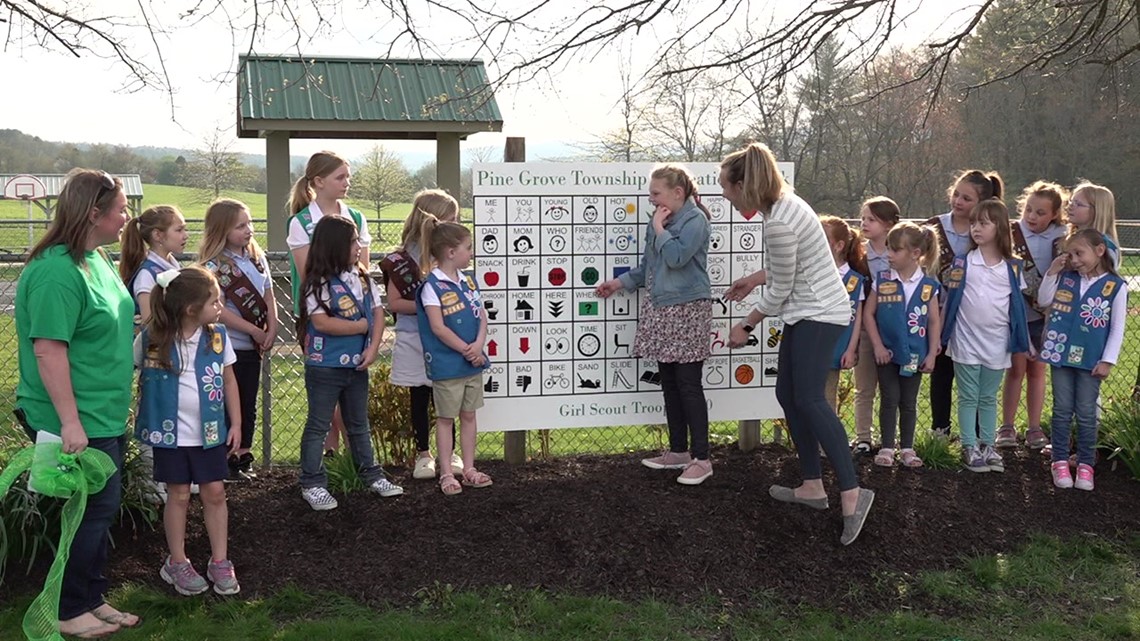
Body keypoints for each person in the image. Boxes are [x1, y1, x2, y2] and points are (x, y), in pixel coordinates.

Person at [722, 142, 874, 546]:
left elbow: (781, 290)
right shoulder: (784, 206)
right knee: (788, 394)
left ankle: (853, 493)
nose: (725, 196)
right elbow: (786, 267)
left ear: (743, 185)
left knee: (808, 399)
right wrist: (753, 279)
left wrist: (746, 325)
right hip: (806, 311)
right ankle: (812, 485)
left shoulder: (778, 222)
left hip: (819, 313)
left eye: (727, 189)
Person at [15, 169, 139, 636]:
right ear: (93, 214)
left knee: (99, 510)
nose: (127, 218)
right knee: (91, 511)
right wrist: (70, 422)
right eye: (121, 210)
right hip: (72, 416)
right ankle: (69, 610)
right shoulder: (55, 273)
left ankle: (91, 598)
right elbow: (49, 351)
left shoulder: (95, 258)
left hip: (102, 411)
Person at [596, 164, 714, 485]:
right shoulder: (661, 221)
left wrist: (659, 228)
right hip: (660, 309)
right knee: (670, 382)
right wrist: (619, 283)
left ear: (678, 193)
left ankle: (702, 459)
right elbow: (649, 267)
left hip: (688, 310)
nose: (651, 199)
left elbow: (676, 257)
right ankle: (678, 451)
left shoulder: (695, 220)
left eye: (655, 193)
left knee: (688, 384)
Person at [135, 266, 242, 596]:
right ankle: (177, 561)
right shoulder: (152, 339)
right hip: (170, 437)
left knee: (215, 493)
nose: (220, 307)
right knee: (178, 495)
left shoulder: (217, 337)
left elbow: (229, 381)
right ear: (191, 309)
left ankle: (220, 560)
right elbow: (131, 369)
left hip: (209, 434)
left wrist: (237, 423)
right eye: (215, 301)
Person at [297, 216, 403, 510]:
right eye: (354, 241)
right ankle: (312, 483)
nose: (360, 246)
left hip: (357, 366)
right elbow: (322, 322)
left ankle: (372, 475)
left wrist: (373, 347)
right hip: (325, 367)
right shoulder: (317, 283)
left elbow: (378, 313)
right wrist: (360, 327)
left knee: (358, 424)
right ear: (335, 245)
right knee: (318, 425)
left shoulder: (364, 278)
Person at [287, 151, 369, 457]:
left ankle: (353, 457)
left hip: (353, 316)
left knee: (352, 388)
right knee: (326, 389)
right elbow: (309, 274)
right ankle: (331, 454)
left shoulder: (356, 218)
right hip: (318, 316)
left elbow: (361, 271)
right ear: (318, 181)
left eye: (348, 177)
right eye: (340, 177)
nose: (347, 182)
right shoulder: (301, 222)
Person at [940, 200, 1032, 473]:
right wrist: (939, 339)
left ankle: (988, 445)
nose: (976, 228)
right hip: (965, 341)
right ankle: (969, 446)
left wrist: (1025, 341)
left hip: (997, 343)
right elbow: (949, 303)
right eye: (973, 223)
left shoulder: (1012, 267)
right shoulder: (963, 263)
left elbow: (1017, 308)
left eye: (983, 223)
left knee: (988, 397)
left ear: (1000, 227)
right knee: (968, 396)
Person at [379, 189, 464, 480]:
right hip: (414, 337)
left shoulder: (448, 256)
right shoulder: (401, 260)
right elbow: (394, 303)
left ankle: (450, 453)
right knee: (419, 395)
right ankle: (423, 454)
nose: (455, 224)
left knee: (446, 396)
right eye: (451, 219)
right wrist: (431, 307)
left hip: (446, 338)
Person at [1038, 229, 1129, 491]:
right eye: (1070, 255)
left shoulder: (1115, 286)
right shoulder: (1066, 279)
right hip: (1061, 356)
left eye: (1079, 253)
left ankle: (1086, 464)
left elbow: (1117, 328)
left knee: (1087, 413)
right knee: (1062, 410)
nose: (1074, 260)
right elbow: (1044, 300)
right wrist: (1052, 272)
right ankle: (1059, 461)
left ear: (1099, 251)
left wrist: (1108, 360)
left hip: (1091, 361)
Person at [199, 198, 278, 481]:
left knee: (248, 402)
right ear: (222, 230)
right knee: (225, 404)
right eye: (240, 226)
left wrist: (272, 325)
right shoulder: (214, 266)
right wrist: (253, 330)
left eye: (249, 223)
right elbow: (219, 310)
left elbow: (268, 295)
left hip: (252, 347)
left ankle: (243, 454)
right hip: (227, 346)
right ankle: (223, 456)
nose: (248, 230)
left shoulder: (257, 258)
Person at [925, 170, 1004, 439]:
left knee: (976, 380)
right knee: (941, 371)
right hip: (939, 313)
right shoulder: (934, 227)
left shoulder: (985, 230)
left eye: (967, 198)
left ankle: (980, 435)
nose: (958, 201)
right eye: (956, 194)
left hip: (973, 316)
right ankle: (940, 430)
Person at [416, 218, 493, 495]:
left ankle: (469, 468)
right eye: (468, 248)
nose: (471, 253)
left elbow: (481, 316)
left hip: (472, 362)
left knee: (469, 415)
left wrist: (478, 346)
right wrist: (466, 349)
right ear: (451, 252)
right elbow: (438, 327)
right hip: (448, 365)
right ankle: (447, 473)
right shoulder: (431, 286)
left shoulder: (469, 282)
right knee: (446, 418)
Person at [862, 223, 941, 469]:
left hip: (915, 355)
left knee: (908, 401)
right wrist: (877, 346)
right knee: (889, 398)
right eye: (888, 249)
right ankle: (886, 447)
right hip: (887, 353)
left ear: (915, 253)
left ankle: (907, 448)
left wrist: (932, 354)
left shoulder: (928, 286)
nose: (889, 255)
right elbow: (868, 314)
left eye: (895, 250)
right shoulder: (882, 280)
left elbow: (934, 321)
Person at [1000, 181, 1068, 449]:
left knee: (1038, 371)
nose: (1032, 216)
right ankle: (1007, 426)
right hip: (1018, 315)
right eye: (1028, 209)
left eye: (1040, 213)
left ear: (1054, 214)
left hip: (1046, 316)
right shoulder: (1012, 232)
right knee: (1015, 370)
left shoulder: (1063, 235)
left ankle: (1034, 427)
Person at [851, 197, 899, 455]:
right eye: (863, 219)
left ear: (889, 224)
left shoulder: (899, 252)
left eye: (872, 219)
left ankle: (891, 439)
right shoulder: (858, 254)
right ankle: (863, 438)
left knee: (892, 390)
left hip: (894, 327)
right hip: (864, 328)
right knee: (864, 386)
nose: (865, 223)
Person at [818, 216, 870, 419]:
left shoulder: (854, 280)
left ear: (839, 246)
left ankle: (827, 438)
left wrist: (851, 349)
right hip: (812, 343)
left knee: (827, 397)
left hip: (836, 348)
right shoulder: (813, 273)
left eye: (822, 238)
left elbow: (856, 318)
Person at [119, 204, 188, 325]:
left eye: (184, 229)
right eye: (179, 230)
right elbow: (150, 326)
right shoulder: (146, 275)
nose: (186, 236)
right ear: (157, 235)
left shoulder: (173, 266)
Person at [1066, 181, 1120, 269]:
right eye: (1071, 202)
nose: (1070, 207)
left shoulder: (1106, 246)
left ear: (1097, 211)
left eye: (1079, 204)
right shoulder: (1067, 238)